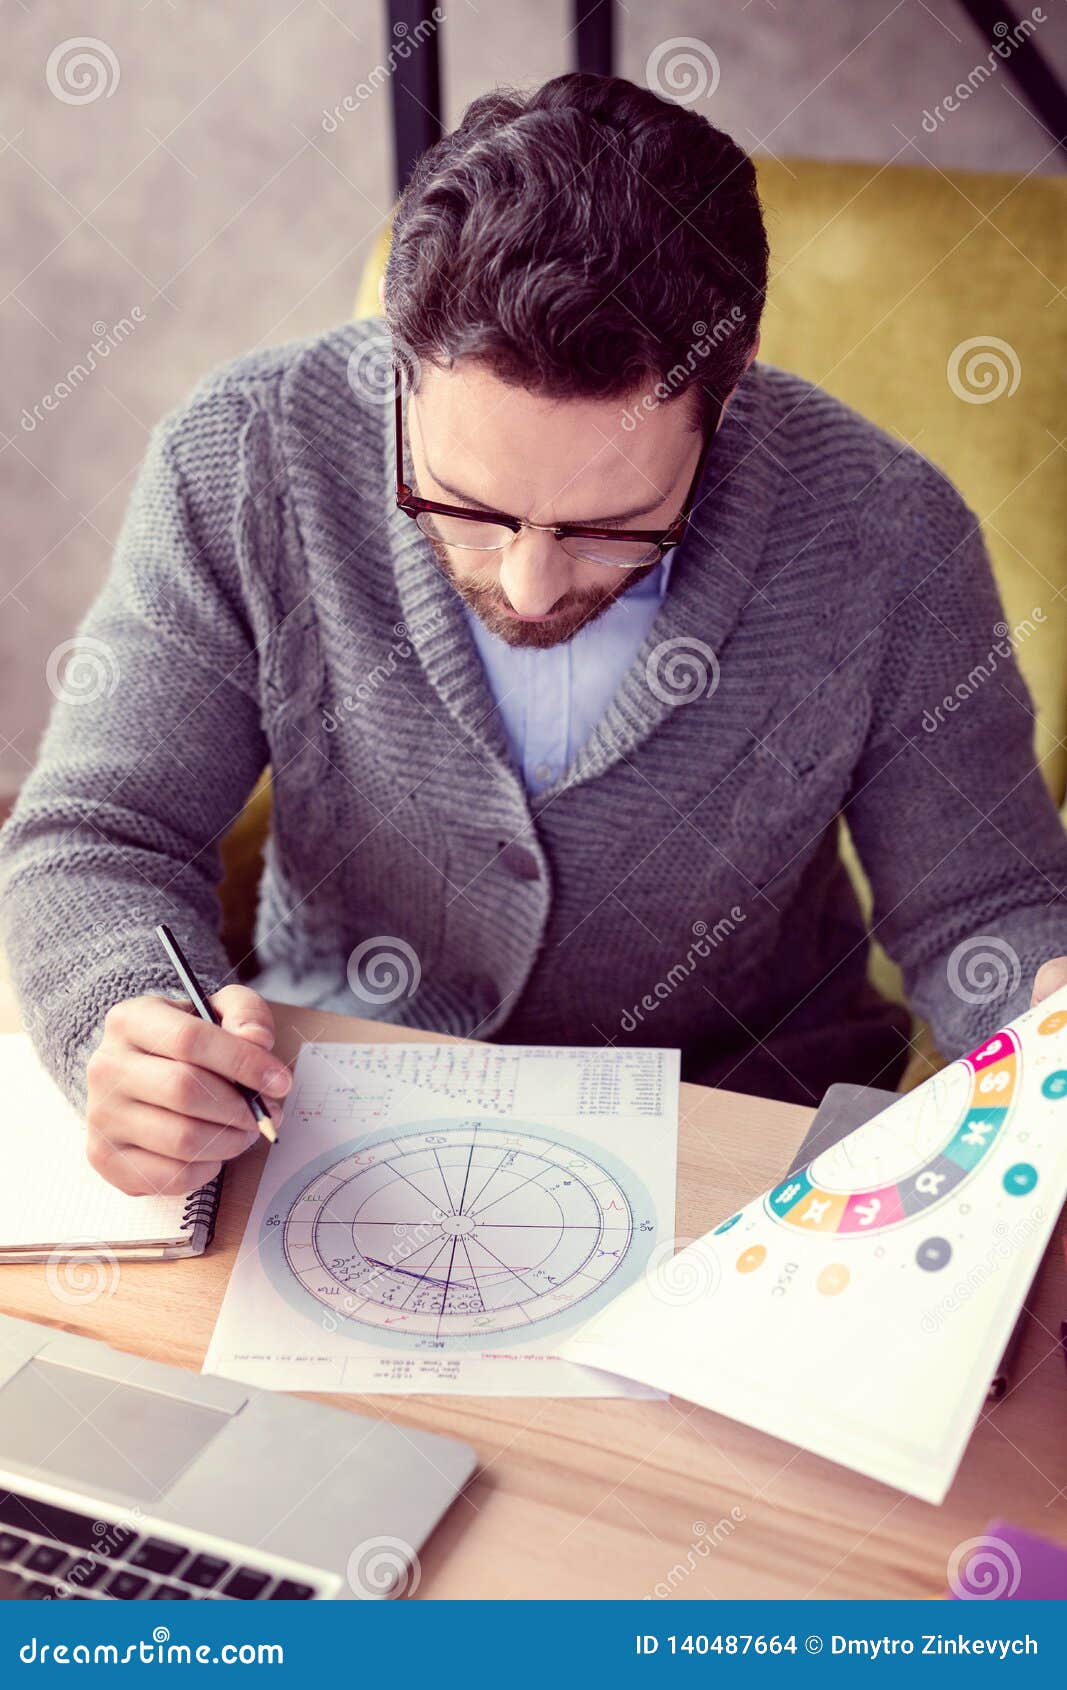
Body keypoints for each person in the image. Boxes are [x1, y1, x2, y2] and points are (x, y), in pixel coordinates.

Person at [2, 72, 1067, 1200]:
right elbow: (99, 833)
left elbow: (980, 908)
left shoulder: (887, 531)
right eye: (462, 503)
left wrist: (1044, 1032)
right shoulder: (244, 457)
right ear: (400, 366)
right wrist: (124, 1020)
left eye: (611, 525)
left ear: (726, 382)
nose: (526, 581)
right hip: (326, 1119)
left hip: (744, 1148)